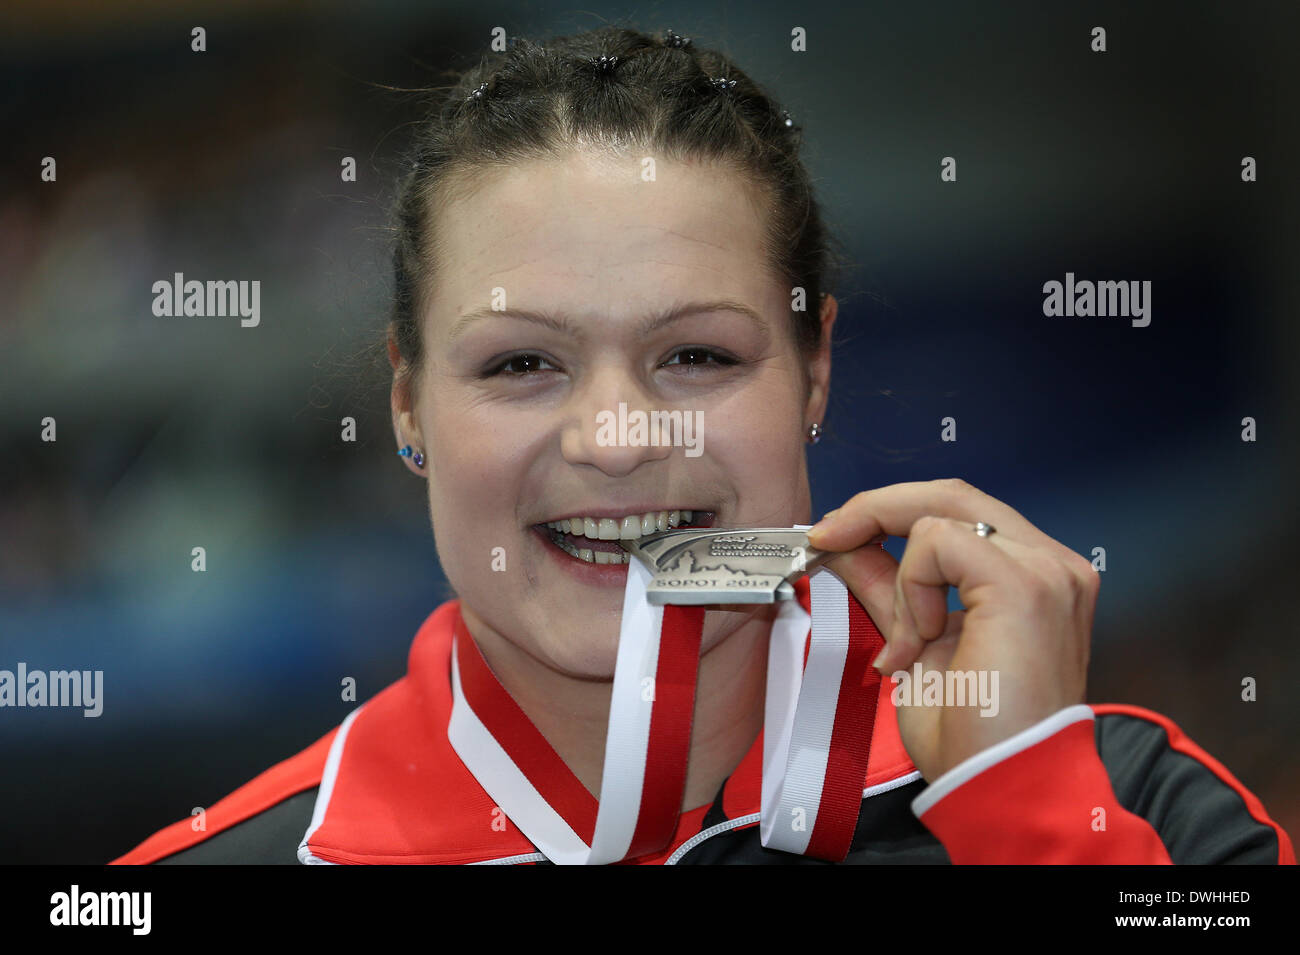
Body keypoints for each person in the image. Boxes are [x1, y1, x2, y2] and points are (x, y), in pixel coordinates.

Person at [112, 25, 1293, 865]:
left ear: (814, 370)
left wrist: (1021, 814)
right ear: (409, 403)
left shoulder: (1140, 815)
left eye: (698, 356)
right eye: (522, 362)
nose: (617, 438)